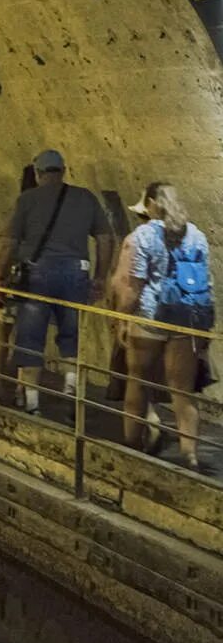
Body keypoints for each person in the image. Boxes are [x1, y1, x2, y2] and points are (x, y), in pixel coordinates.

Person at [0, 149, 117, 414]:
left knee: (30, 337)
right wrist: (100, 277)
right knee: (72, 335)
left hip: (36, 275)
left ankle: (31, 402)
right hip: (76, 272)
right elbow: (106, 239)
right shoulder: (85, 198)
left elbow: (9, 242)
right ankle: (71, 391)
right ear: (63, 171)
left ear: (39, 174)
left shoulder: (27, 199)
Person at [114, 183, 214, 471]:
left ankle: (132, 444)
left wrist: (122, 318)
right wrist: (206, 325)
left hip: (150, 317)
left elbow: (134, 287)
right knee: (182, 391)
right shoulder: (196, 235)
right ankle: (190, 456)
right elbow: (207, 283)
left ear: (150, 205)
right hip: (187, 319)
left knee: (137, 380)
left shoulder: (142, 235)